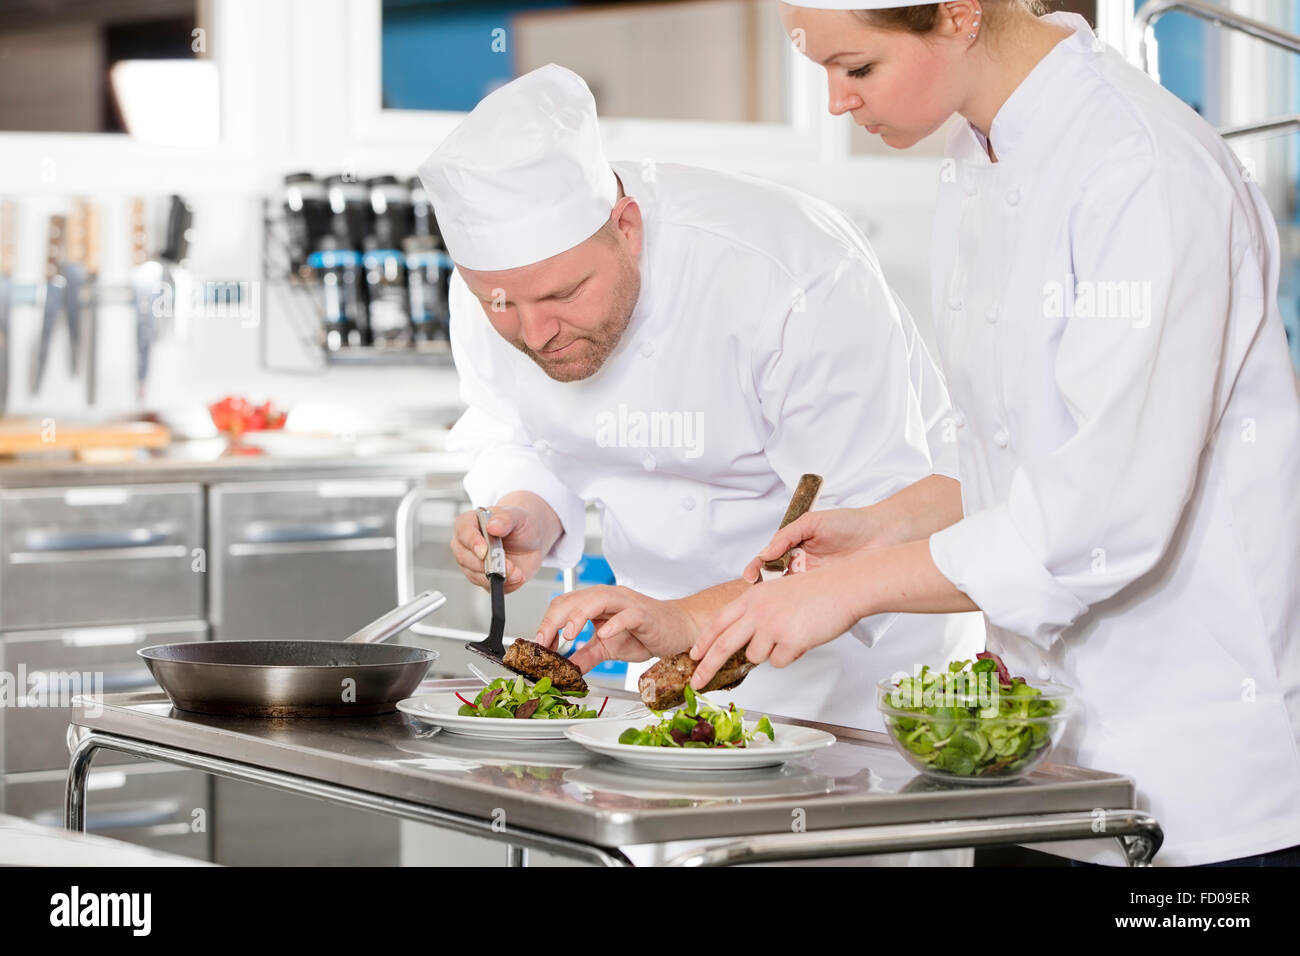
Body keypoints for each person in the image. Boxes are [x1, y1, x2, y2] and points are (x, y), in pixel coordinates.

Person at [683, 0, 1300, 867]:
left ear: (961, 16)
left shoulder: (1142, 168)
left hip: (1198, 784)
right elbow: (1027, 454)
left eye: (857, 67)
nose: (836, 102)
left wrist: (849, 592)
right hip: (1035, 760)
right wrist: (889, 526)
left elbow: (1106, 513)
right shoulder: (979, 153)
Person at [420, 63, 983, 737]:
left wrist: (690, 616)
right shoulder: (497, 282)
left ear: (625, 226)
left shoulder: (789, 274)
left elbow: (863, 529)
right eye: (500, 304)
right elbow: (511, 427)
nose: (534, 333)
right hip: (658, 662)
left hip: (852, 682)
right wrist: (524, 515)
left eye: (565, 296)